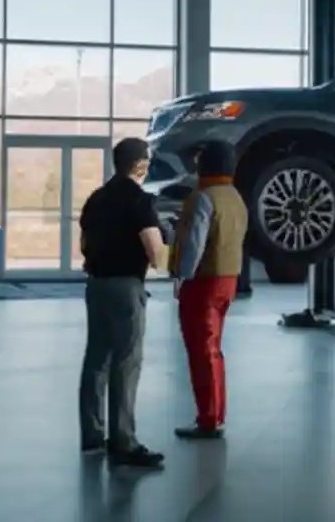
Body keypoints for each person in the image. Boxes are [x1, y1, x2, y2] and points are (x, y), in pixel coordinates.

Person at [77, 137, 167, 469]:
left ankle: (91, 435)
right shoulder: (139, 200)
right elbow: (154, 249)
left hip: (96, 284)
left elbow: (84, 243)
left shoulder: (96, 199)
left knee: (96, 359)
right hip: (127, 287)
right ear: (140, 164)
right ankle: (123, 441)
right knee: (127, 362)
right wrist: (165, 263)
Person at [169, 140, 248, 440]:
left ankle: (208, 418)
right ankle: (216, 414)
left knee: (201, 351)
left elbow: (194, 245)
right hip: (228, 279)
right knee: (214, 349)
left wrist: (182, 276)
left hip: (203, 282)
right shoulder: (235, 198)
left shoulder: (203, 197)